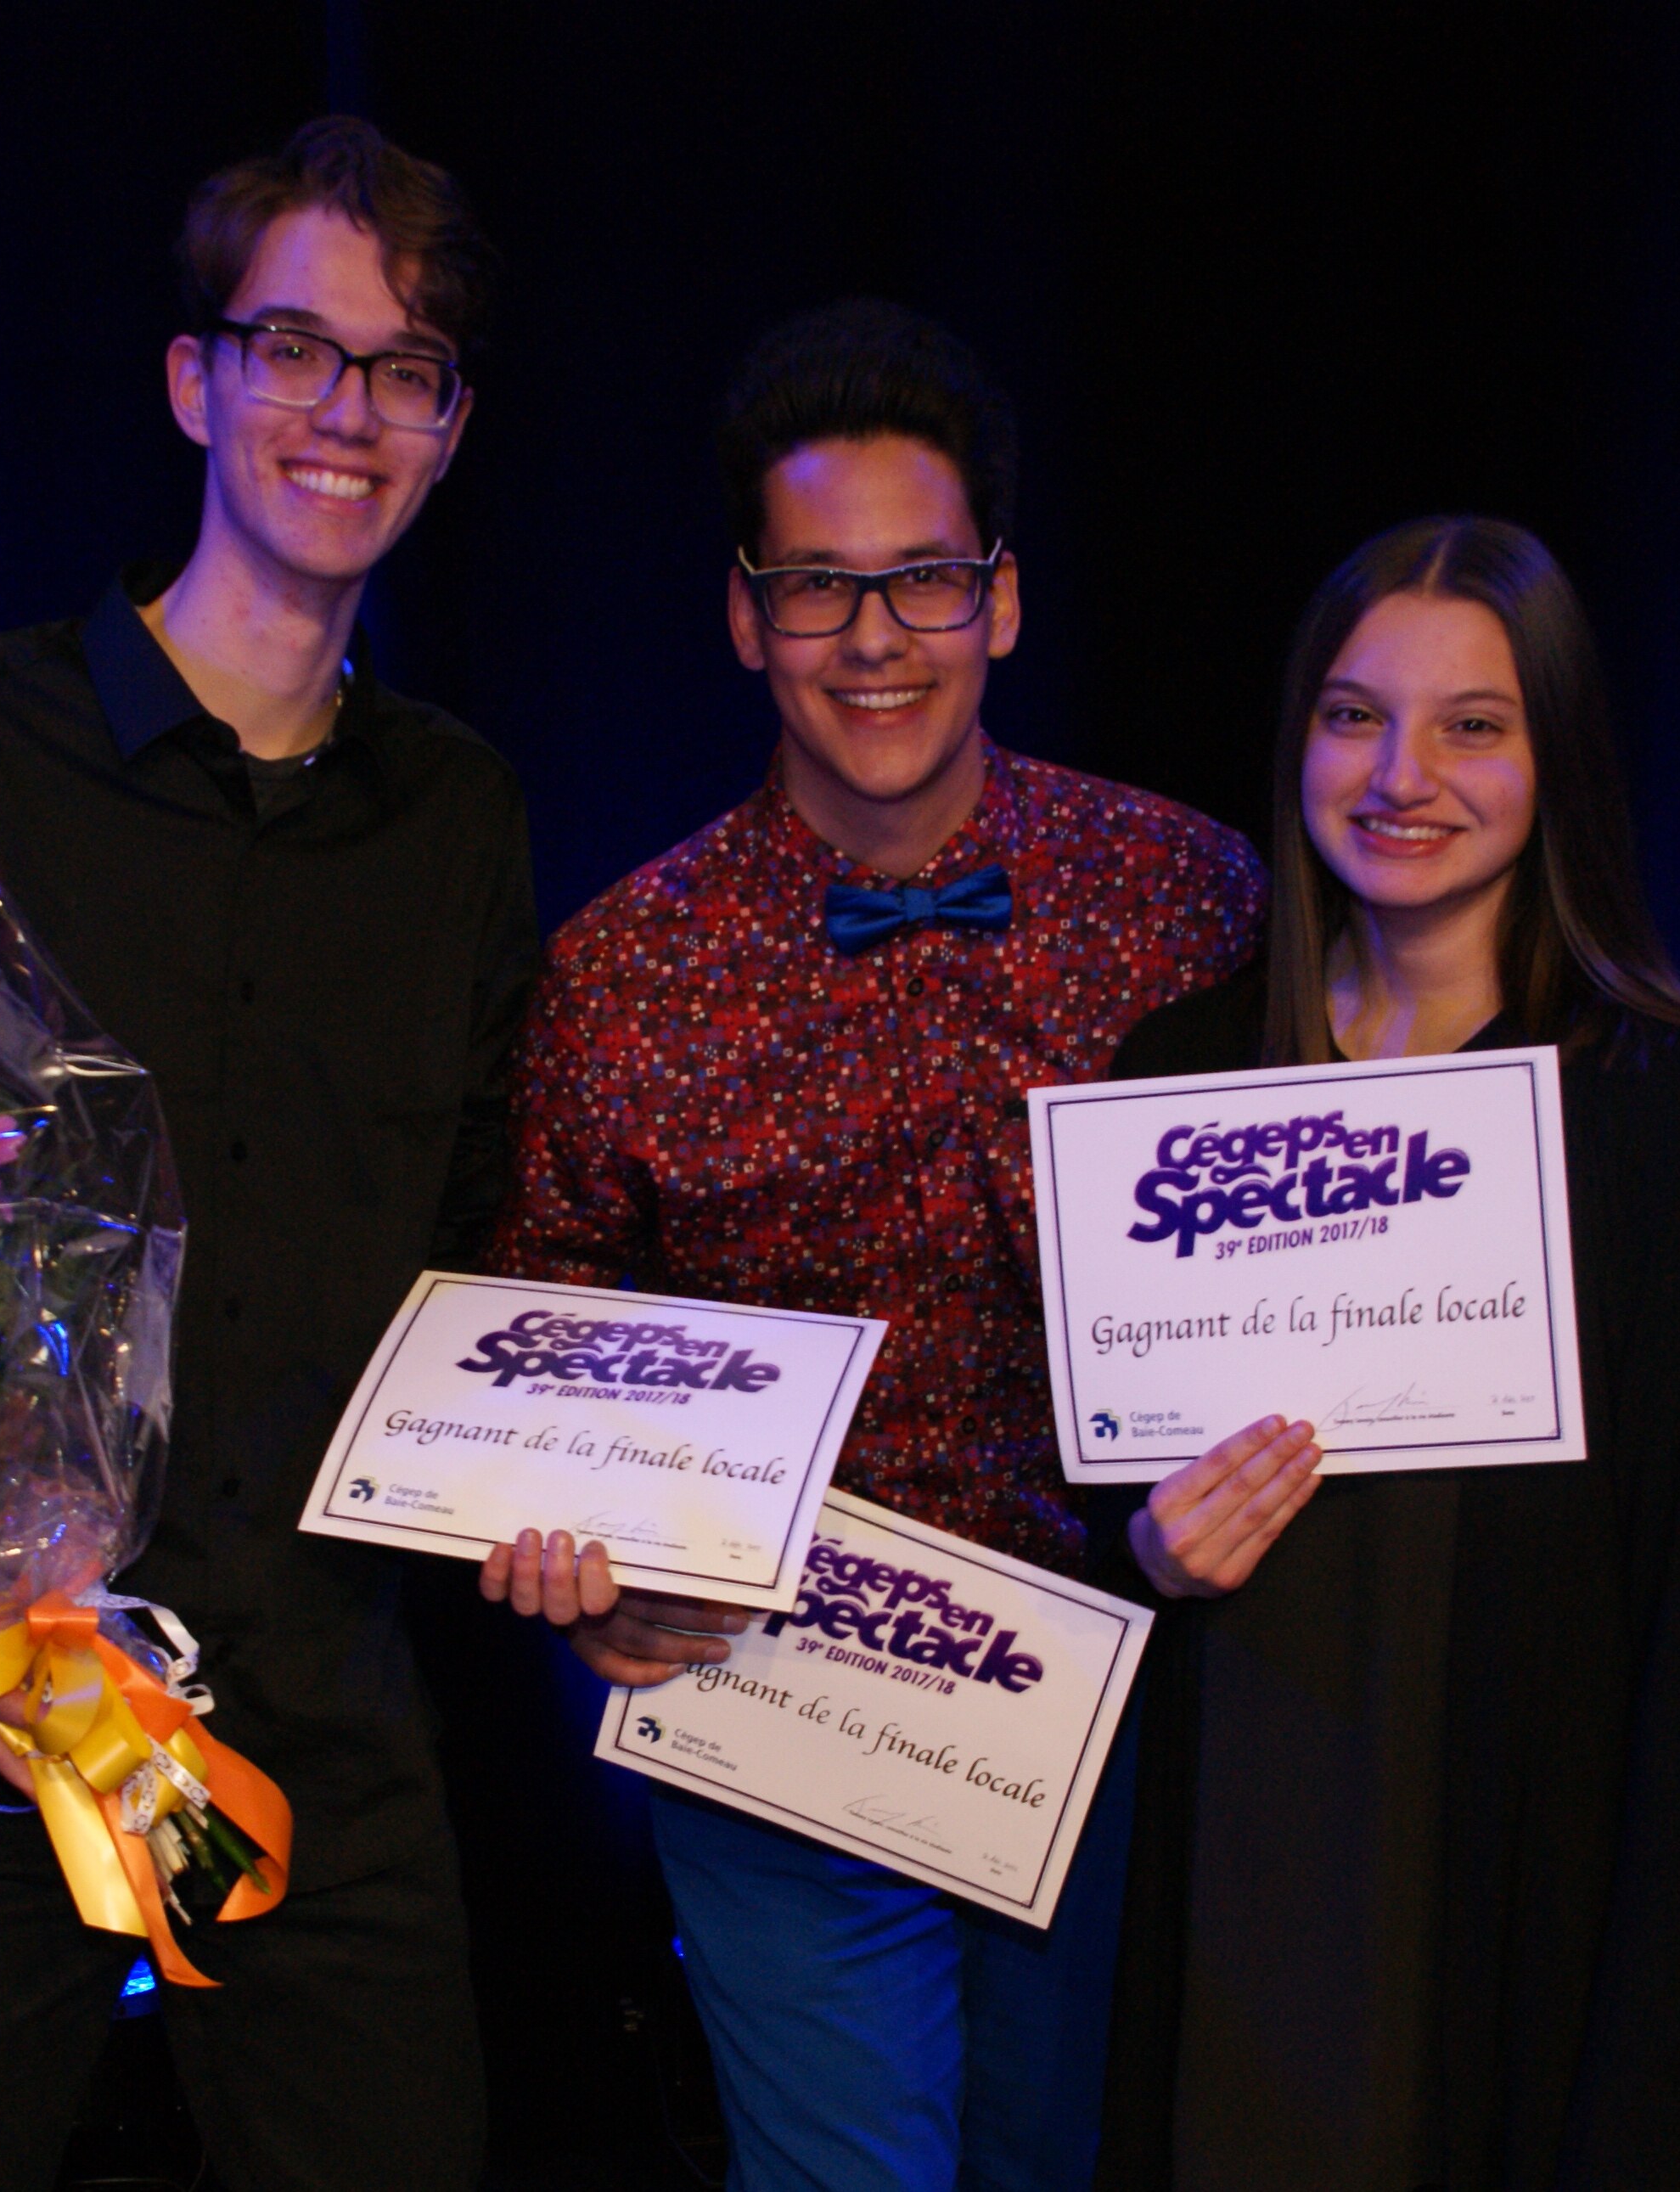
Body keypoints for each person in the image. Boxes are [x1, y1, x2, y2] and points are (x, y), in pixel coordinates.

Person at [0, 117, 532, 2192]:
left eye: (406, 371)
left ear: (451, 431)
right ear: (195, 381)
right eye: (296, 345)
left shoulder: (459, 816)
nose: (346, 411)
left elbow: (475, 1235)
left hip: (325, 1697)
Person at [475, 301, 1261, 2192]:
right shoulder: (621, 968)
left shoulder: (1187, 897)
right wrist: (579, 1562)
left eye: (921, 581)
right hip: (776, 1693)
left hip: (1118, 1683)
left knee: (1061, 2160)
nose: (874, 638)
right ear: (746, 616)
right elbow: (547, 1318)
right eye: (820, 591)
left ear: (1000, 598)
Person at [1089, 516, 1680, 2189]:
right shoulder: (1171, 1076)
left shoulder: (1652, 1111)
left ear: (1556, 757)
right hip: (1236, 1890)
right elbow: (1096, 1513)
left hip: (1501, 1929)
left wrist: (1653, 2081)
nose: (1403, 772)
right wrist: (1139, 1551)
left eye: (1472, 723)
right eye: (1352, 714)